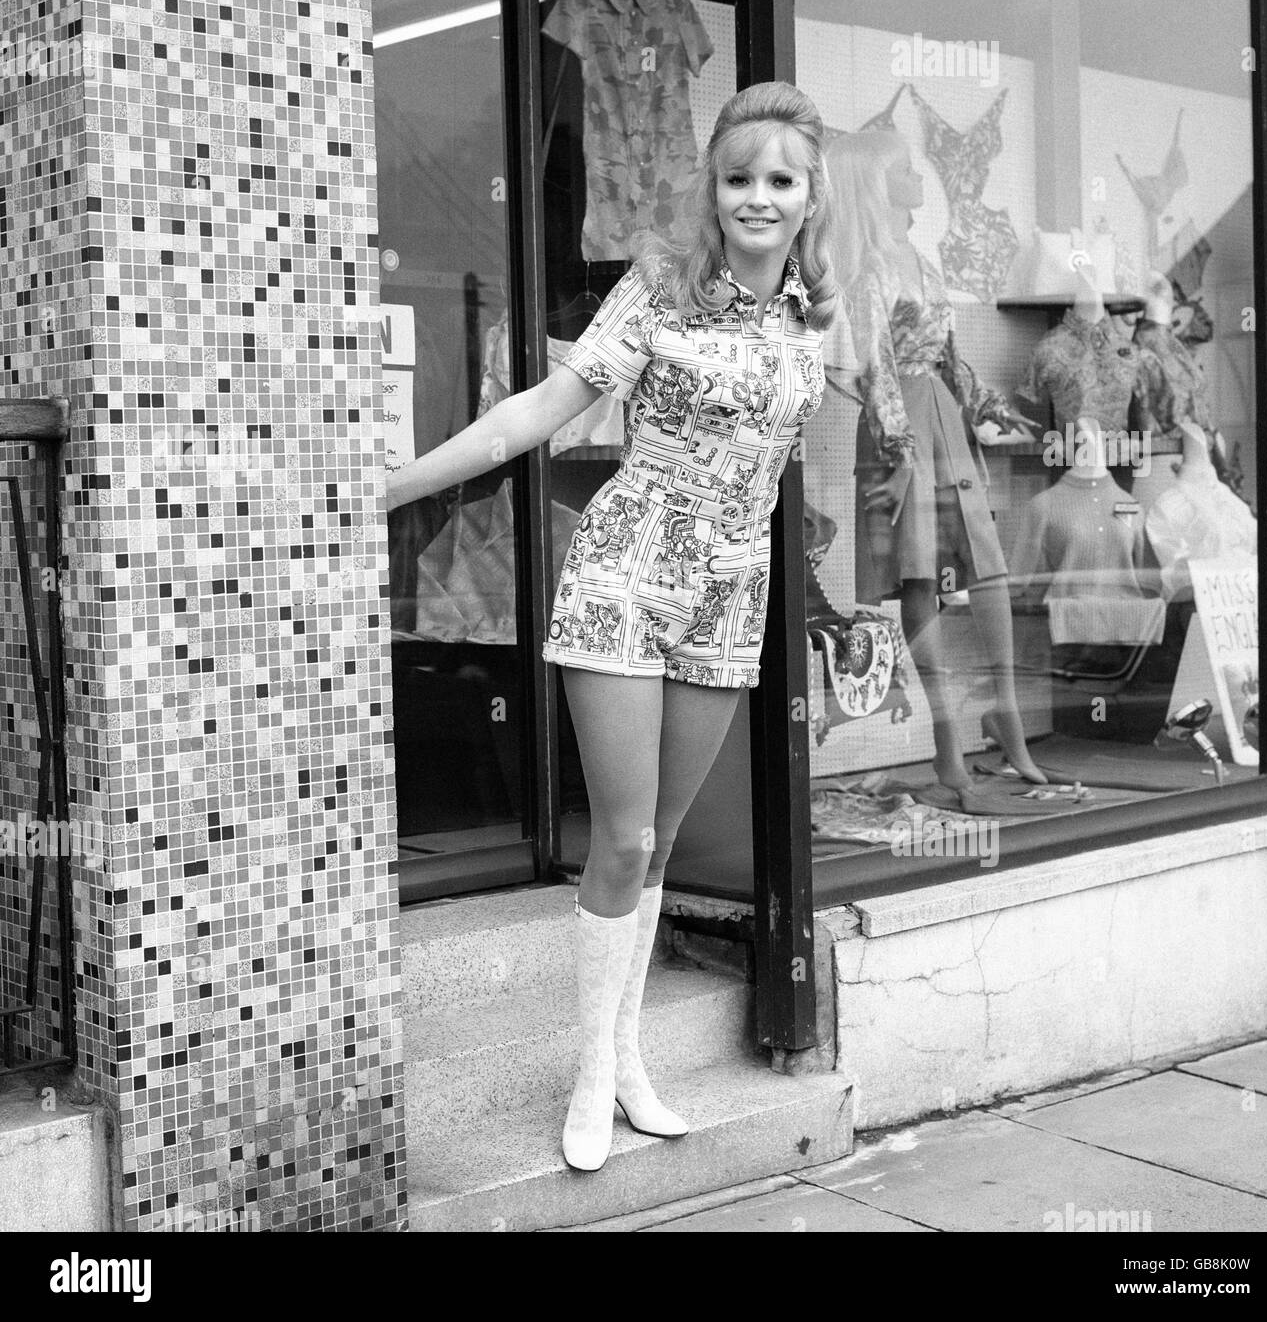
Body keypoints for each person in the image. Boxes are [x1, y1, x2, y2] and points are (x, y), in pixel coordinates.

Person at [386, 81, 839, 1172]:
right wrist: (393, 486)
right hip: (627, 574)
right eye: (739, 178)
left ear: (810, 193)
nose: (757, 198)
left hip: (731, 593)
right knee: (625, 838)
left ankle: (631, 1058)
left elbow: (780, 464)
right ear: (712, 187)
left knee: (666, 844)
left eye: (780, 180)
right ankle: (593, 1077)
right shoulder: (659, 288)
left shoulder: (812, 313)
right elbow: (539, 411)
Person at [822, 125, 1046, 794]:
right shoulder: (867, 270)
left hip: (942, 414)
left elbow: (947, 353)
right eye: (906, 168)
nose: (921, 178)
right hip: (900, 425)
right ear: (875, 183)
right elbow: (871, 367)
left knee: (988, 565)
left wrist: (992, 410)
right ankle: (948, 742)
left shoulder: (920, 259)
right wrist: (896, 446)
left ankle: (1004, 712)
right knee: (920, 579)